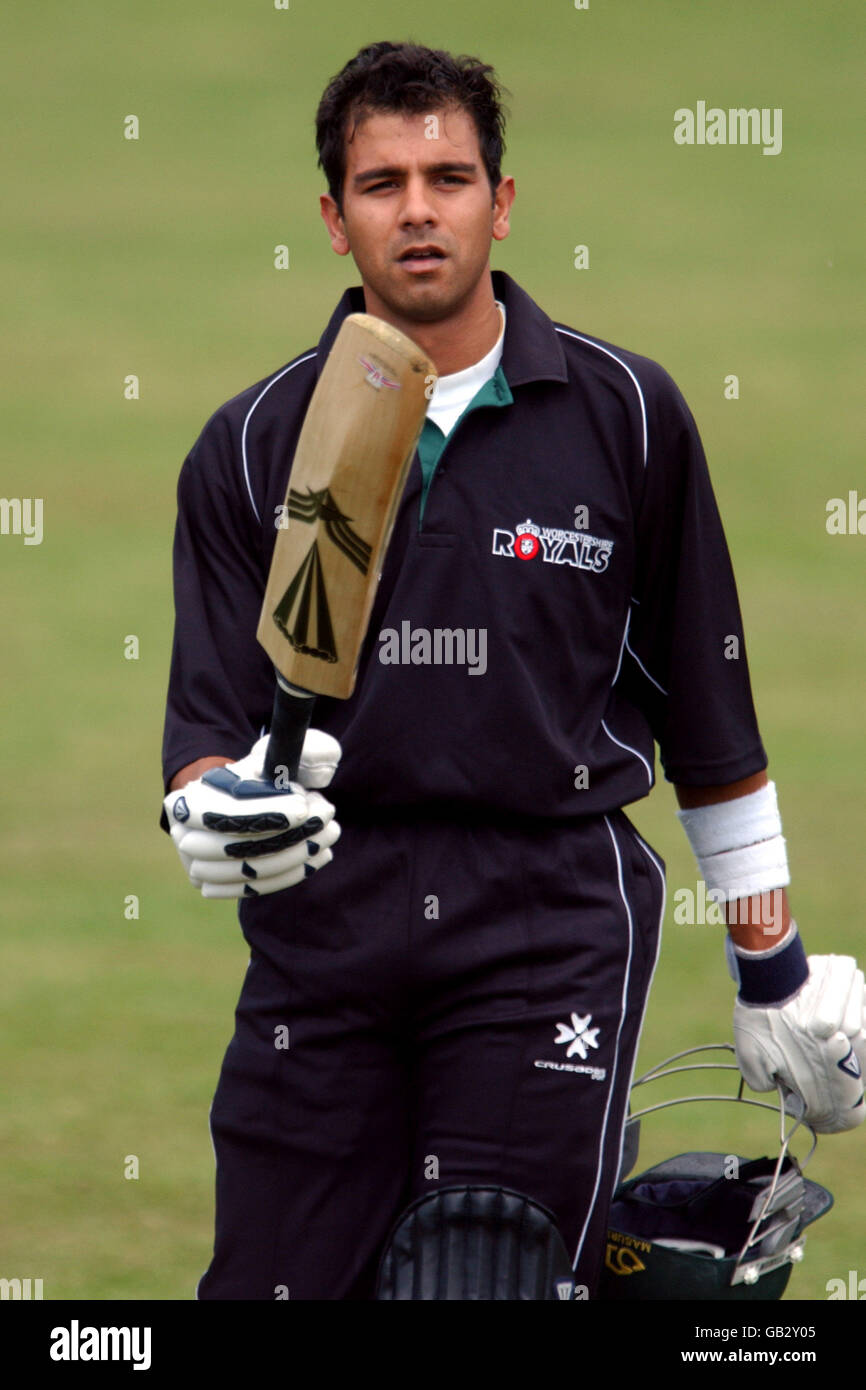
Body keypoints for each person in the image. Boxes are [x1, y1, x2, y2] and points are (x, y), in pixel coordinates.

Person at [161, 41, 864, 1301]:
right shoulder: (253, 443)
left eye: (449, 175)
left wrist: (773, 968)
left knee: (478, 1271)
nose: (418, 209)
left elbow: (707, 713)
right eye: (381, 184)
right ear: (332, 219)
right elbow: (209, 730)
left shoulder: (624, 413)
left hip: (545, 915)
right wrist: (214, 805)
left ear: (502, 199)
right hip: (324, 930)